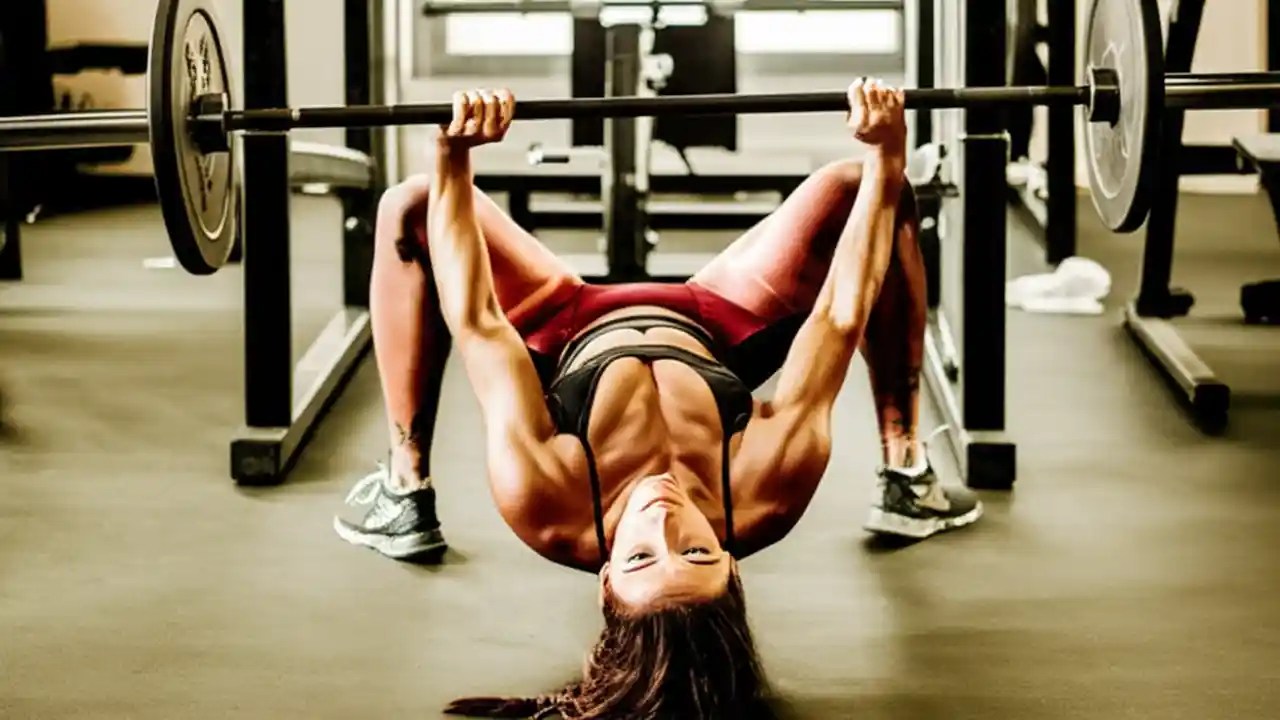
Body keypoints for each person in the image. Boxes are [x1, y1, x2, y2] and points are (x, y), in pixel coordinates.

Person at [333, 79, 982, 718]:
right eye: (696, 551)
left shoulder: (546, 498)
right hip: (712, 321)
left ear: (606, 582)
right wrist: (886, 152)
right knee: (868, 188)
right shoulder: (767, 488)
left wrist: (453, 156)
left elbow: (478, 321)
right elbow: (839, 316)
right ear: (733, 568)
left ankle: (404, 484)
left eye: (641, 556)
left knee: (413, 203)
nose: (664, 522)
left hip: (567, 325)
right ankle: (906, 470)